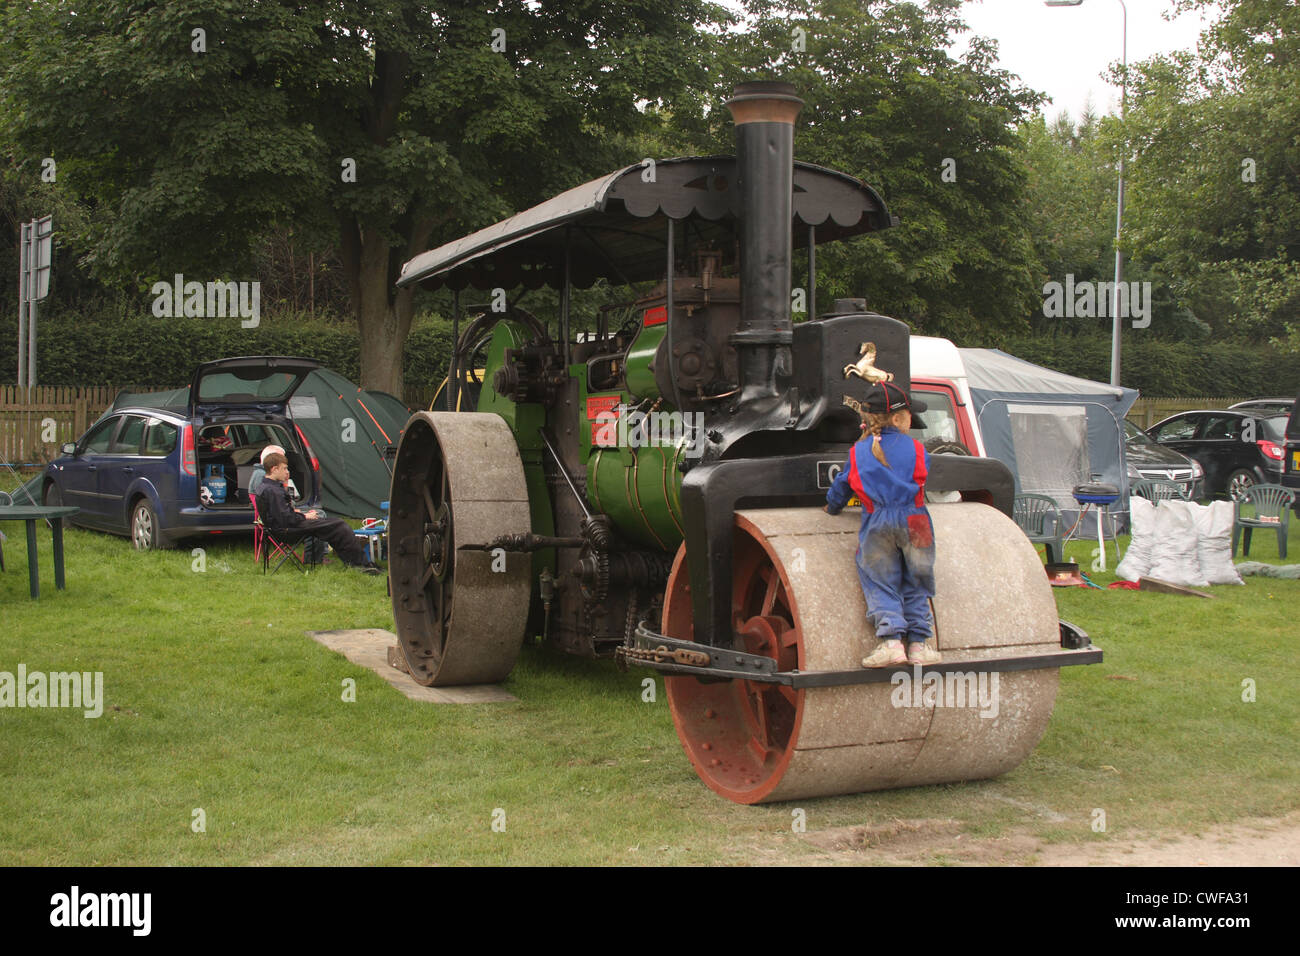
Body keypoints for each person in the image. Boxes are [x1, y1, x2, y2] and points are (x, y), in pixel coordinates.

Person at [825, 381, 941, 667]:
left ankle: (891, 643)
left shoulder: (858, 452)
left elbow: (842, 486)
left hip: (877, 521)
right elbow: (922, 475)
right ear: (900, 418)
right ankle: (918, 647)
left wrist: (832, 507)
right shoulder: (916, 448)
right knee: (918, 579)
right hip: (916, 519)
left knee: (880, 579)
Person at [256, 453, 379, 574]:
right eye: (284, 468)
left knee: (334, 524)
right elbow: (286, 518)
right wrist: (305, 516)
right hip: (286, 530)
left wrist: (300, 514)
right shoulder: (272, 491)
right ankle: (360, 565)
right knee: (339, 525)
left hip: (280, 528)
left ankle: (357, 563)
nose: (286, 471)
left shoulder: (265, 486)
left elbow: (281, 514)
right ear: (274, 469)